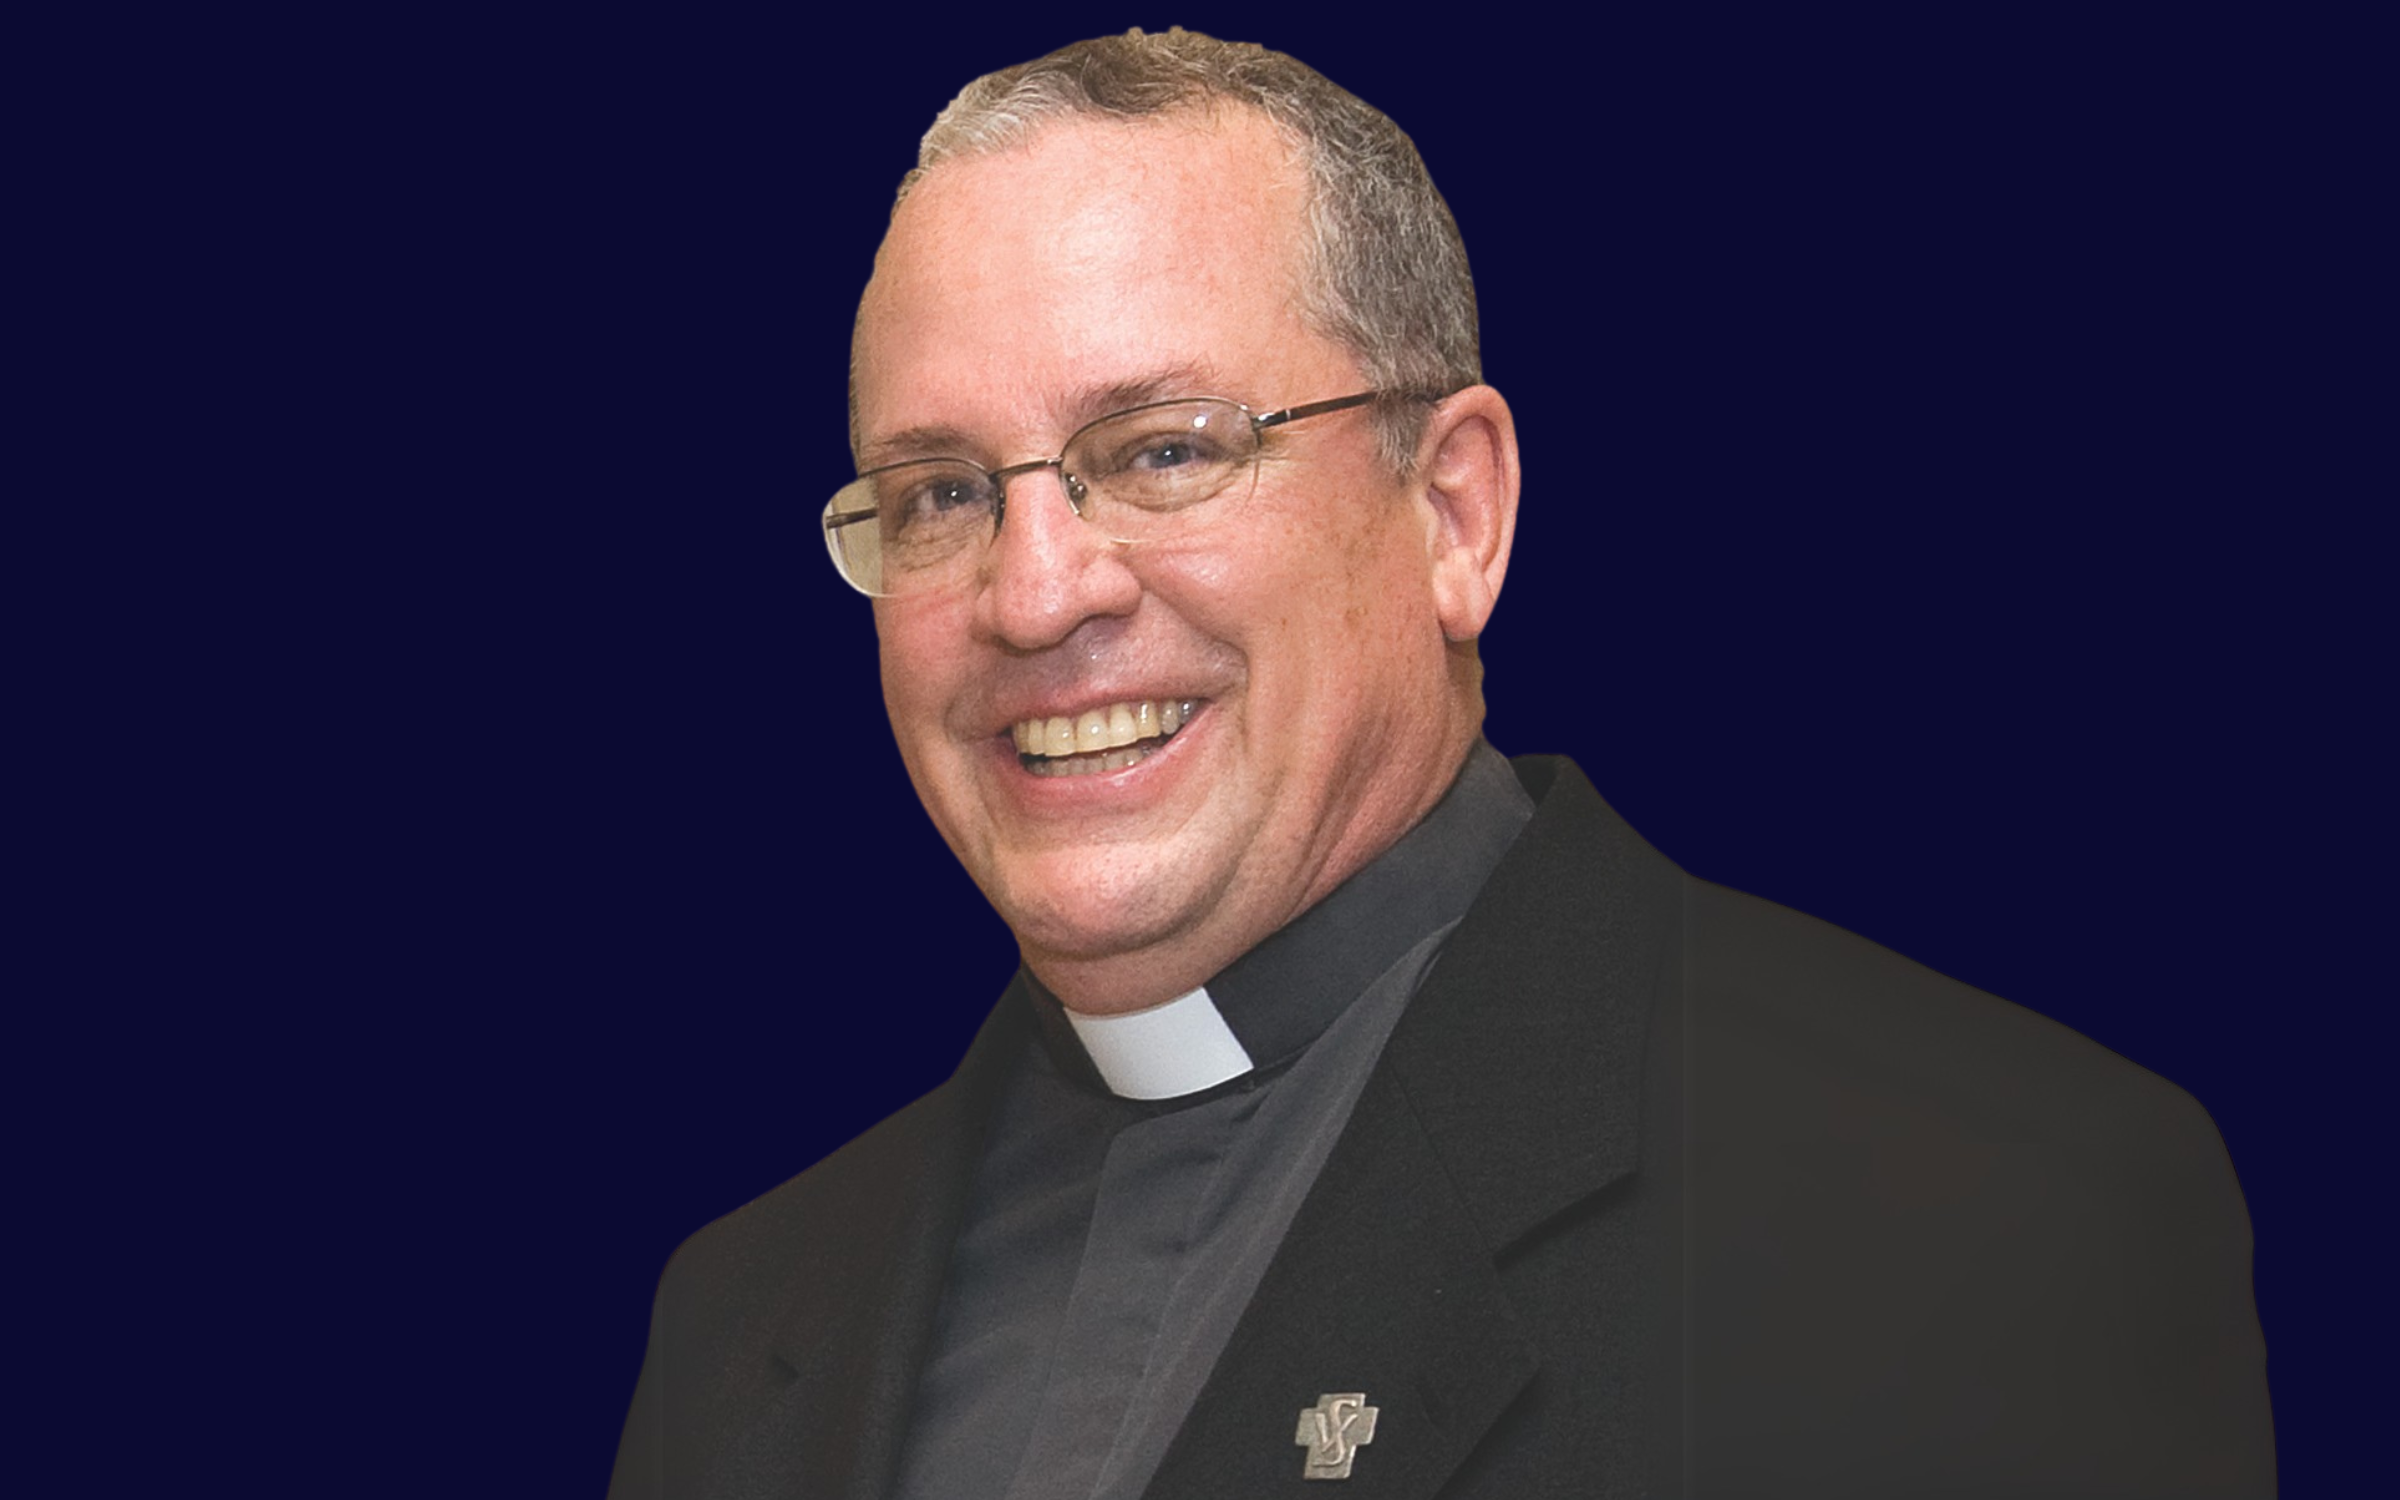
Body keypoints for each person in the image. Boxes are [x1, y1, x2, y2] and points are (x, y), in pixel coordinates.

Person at [609, 30, 2273, 1498]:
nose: (1037, 594)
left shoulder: (1974, 1218)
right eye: (940, 494)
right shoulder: (749, 1319)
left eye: (1166, 451)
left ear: (1452, 514)